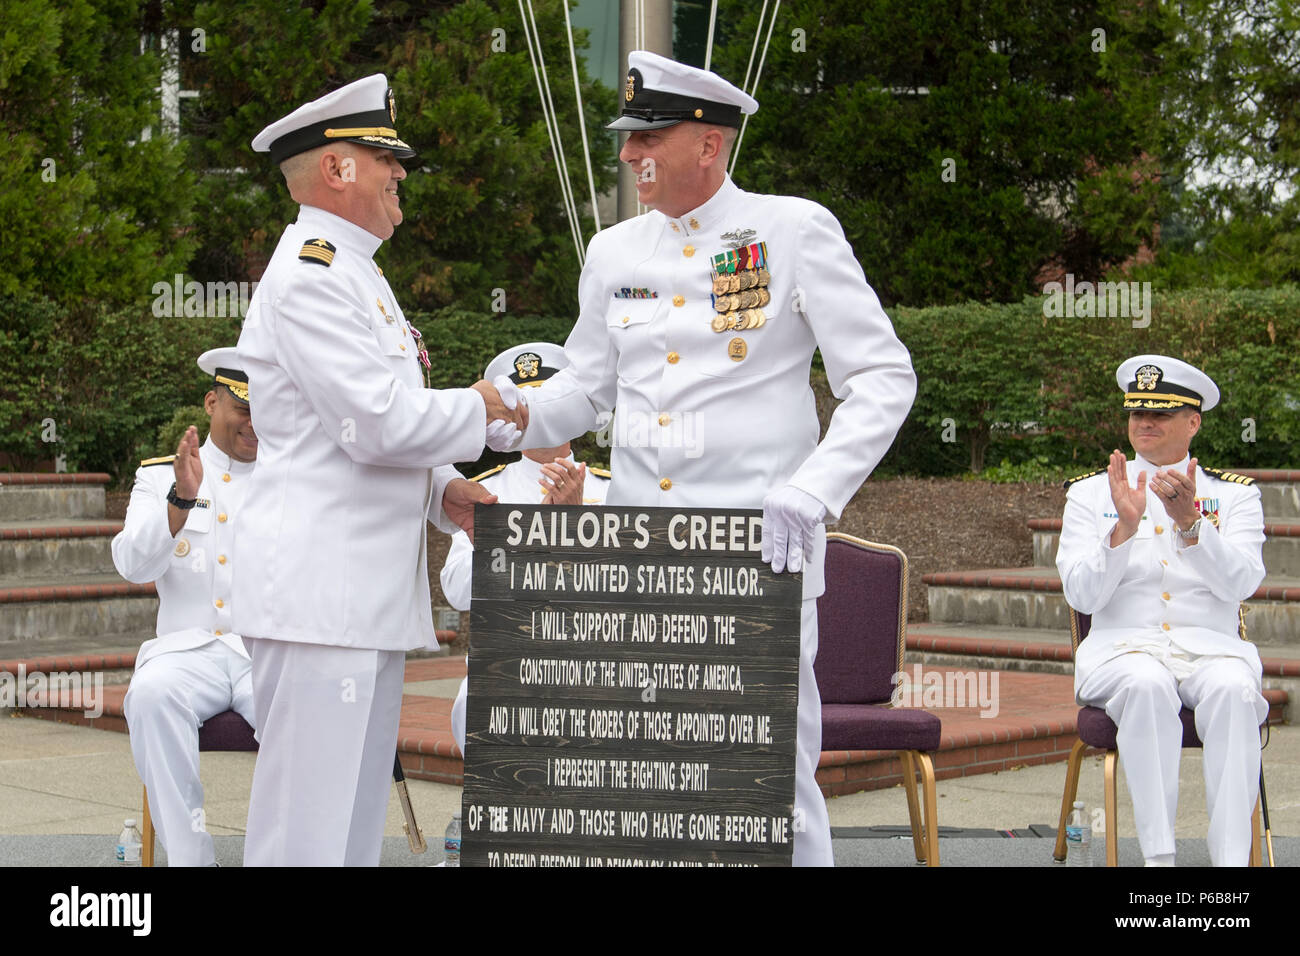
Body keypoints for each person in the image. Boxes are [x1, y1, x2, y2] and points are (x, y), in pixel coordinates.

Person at [508, 52, 917, 866]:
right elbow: (584, 393)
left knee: (767, 773)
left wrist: (814, 490)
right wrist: (486, 416)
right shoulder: (613, 250)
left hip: (754, 545)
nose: (629, 155)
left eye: (649, 136)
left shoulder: (793, 229)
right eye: (627, 137)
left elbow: (881, 377)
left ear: (711, 143)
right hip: (637, 555)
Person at [233, 73, 525, 866]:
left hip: (356, 599)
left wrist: (442, 491)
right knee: (306, 836)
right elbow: (376, 424)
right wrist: (490, 406)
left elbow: (365, 428)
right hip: (319, 601)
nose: (401, 173)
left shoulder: (357, 273)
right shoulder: (312, 276)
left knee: (351, 832)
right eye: (384, 158)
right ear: (337, 170)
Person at [1056, 354, 1267, 866]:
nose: (1145, 423)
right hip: (1122, 650)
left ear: (1193, 422)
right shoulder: (1091, 493)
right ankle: (1159, 861)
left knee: (1237, 691)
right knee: (1147, 684)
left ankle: (1232, 866)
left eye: (1162, 414)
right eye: (1137, 413)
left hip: (1210, 650)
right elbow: (1081, 597)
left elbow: (1244, 582)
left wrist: (1193, 526)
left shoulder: (1234, 496)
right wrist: (1121, 532)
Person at [113, 347, 258, 867]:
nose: (254, 423)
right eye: (242, 408)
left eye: (265, 409)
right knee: (150, 696)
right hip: (185, 652)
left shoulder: (290, 480)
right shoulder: (159, 477)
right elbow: (131, 563)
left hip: (264, 651)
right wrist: (180, 500)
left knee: (311, 708)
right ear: (212, 401)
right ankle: (193, 861)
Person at [441, 342, 611, 751]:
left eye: (546, 402)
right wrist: (530, 538)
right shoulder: (486, 488)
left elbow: (631, 591)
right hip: (507, 665)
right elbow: (457, 591)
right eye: (524, 406)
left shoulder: (614, 489)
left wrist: (572, 529)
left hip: (595, 669)